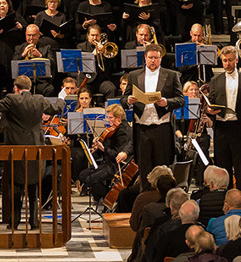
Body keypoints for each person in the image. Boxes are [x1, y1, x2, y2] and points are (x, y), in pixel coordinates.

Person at [0, 76, 66, 229]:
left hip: (15, 150)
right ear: (30, 88)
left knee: (16, 186)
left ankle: (14, 222)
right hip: (36, 150)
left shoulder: (11, 99)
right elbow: (56, 109)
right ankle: (34, 222)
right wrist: (61, 97)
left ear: (16, 88)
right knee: (33, 186)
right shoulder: (39, 99)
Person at [123, 43, 184, 187]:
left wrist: (167, 102)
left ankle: (163, 201)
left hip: (161, 128)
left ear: (161, 59)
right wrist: (128, 100)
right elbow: (124, 98)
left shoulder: (171, 75)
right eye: (150, 57)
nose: (153, 61)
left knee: (163, 168)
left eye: (156, 58)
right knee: (144, 168)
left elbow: (181, 99)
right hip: (142, 129)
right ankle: (145, 199)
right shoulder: (133, 75)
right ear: (145, 58)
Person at [207, 46, 241, 194]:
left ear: (236, 60)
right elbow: (210, 104)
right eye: (224, 61)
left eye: (230, 60)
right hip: (221, 128)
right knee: (223, 167)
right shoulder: (215, 80)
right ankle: (225, 199)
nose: (227, 64)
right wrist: (210, 111)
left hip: (240, 127)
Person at [77, 103, 133, 202]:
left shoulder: (122, 132)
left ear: (118, 118)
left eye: (110, 117)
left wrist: (103, 149)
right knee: (82, 175)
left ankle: (107, 199)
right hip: (108, 163)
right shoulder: (115, 128)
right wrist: (97, 148)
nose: (108, 120)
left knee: (91, 179)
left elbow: (117, 155)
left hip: (115, 166)